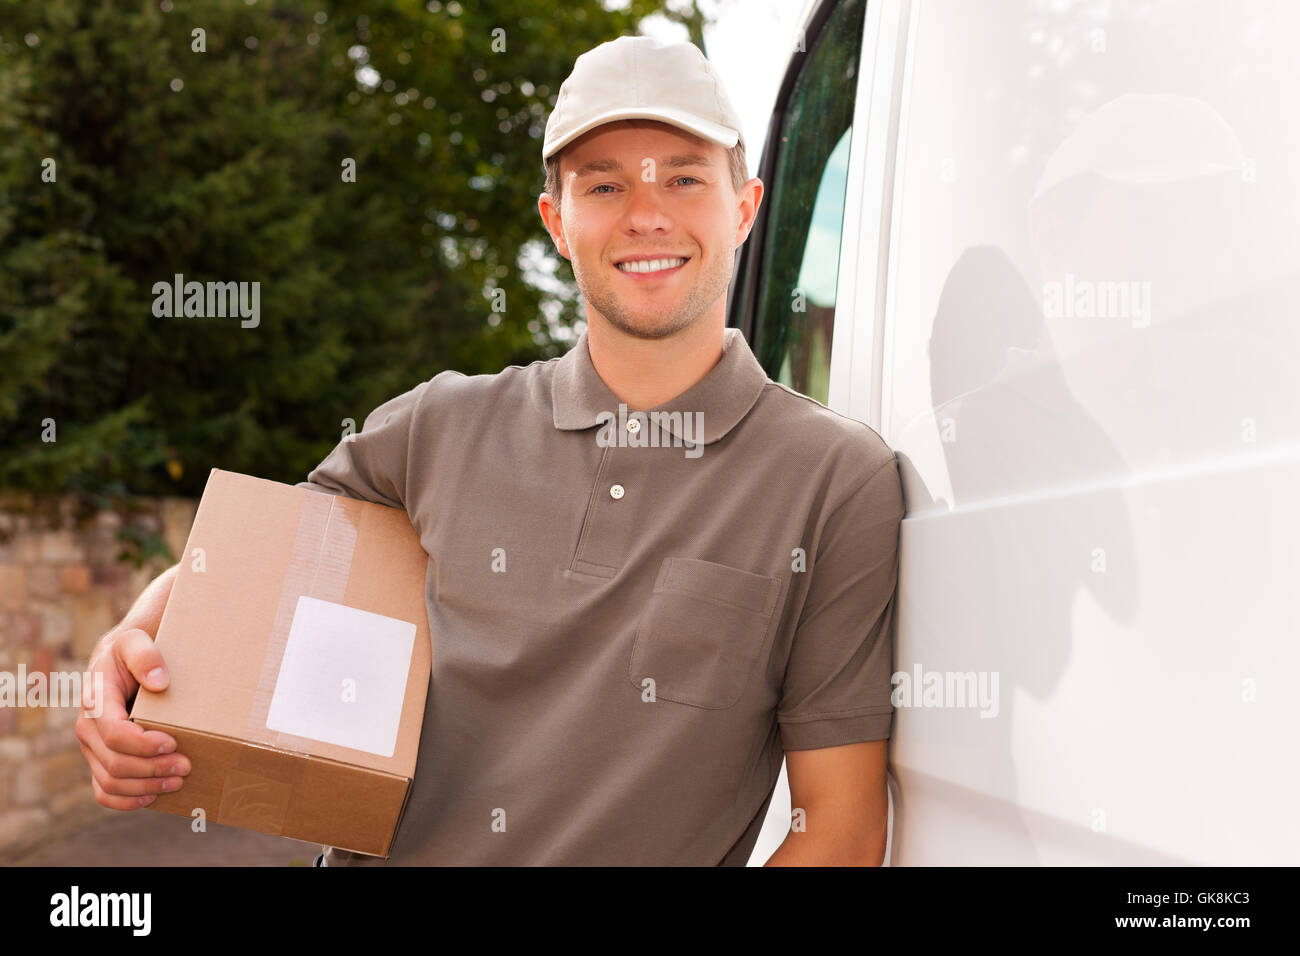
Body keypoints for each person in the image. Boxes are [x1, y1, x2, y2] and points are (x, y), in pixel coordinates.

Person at [75, 34, 904, 866]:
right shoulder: (436, 426)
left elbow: (840, 827)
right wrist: (130, 649)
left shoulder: (834, 481)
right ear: (556, 221)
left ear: (745, 207)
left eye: (683, 178)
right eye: (604, 184)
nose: (646, 214)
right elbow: (250, 572)